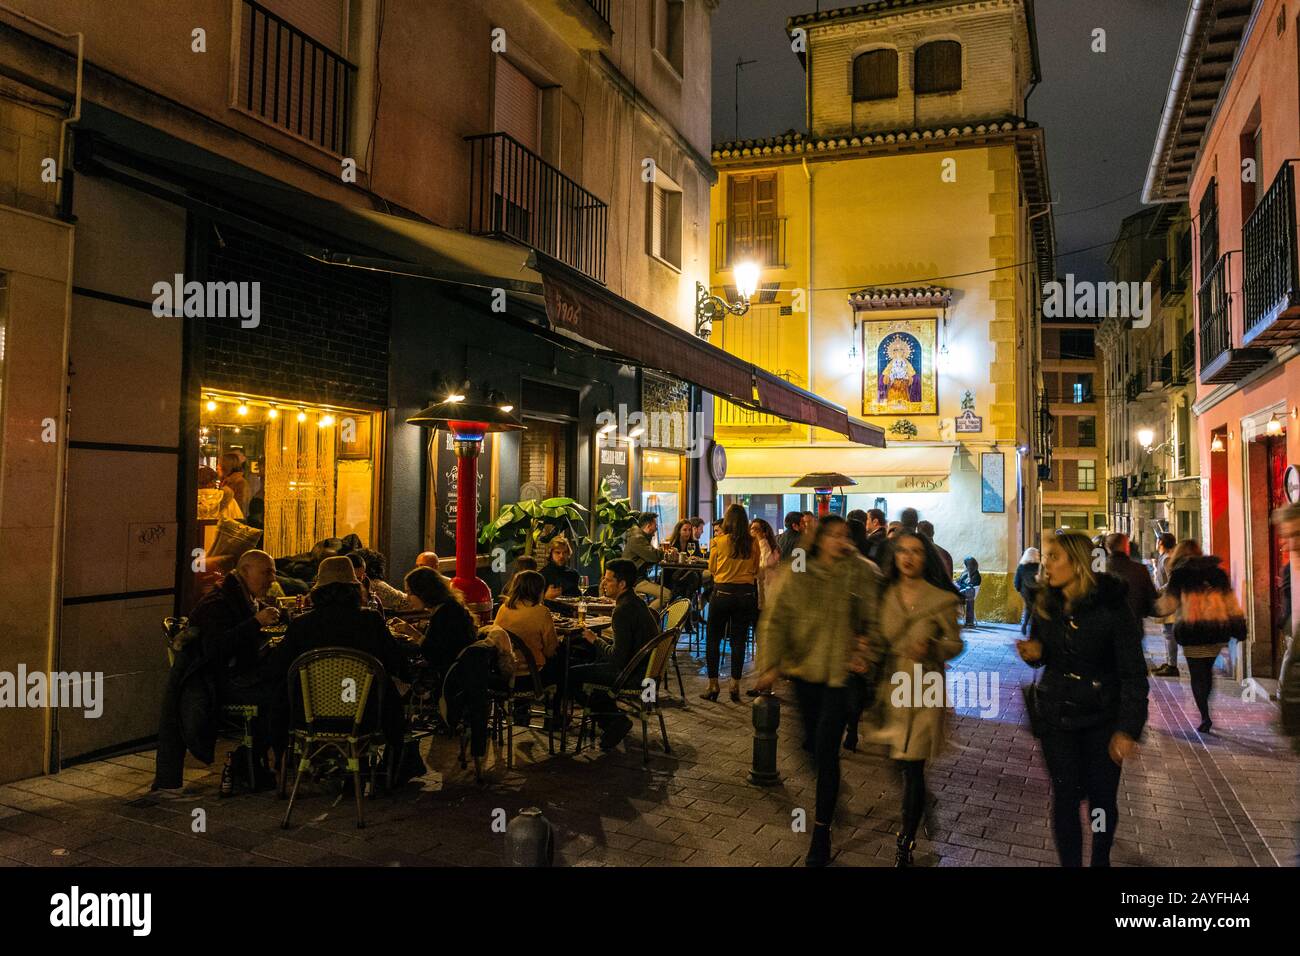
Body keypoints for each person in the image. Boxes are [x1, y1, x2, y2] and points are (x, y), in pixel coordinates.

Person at [751, 515, 881, 866]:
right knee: (808, 746)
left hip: (839, 677)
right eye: (833, 535)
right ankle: (832, 793)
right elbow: (776, 619)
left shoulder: (858, 572)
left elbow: (874, 619)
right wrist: (770, 666)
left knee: (826, 751)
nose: (840, 541)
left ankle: (820, 834)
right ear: (819, 539)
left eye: (844, 535)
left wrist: (864, 651)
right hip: (804, 674)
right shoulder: (799, 573)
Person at [1016, 531, 1148, 867]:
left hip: (1102, 719)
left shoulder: (1111, 607)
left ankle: (1099, 858)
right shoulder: (1046, 602)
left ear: (1077, 563)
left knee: (1101, 802)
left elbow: (1133, 672)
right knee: (1065, 797)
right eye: (1045, 556)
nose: (1045, 563)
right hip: (1057, 716)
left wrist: (1128, 728)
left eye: (1053, 557)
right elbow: (1044, 653)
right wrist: (1035, 653)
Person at [265, 556, 415, 782]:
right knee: (389, 690)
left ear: (318, 590)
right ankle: (389, 767)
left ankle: (284, 763)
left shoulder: (301, 625)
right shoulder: (370, 622)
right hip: (364, 714)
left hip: (308, 716)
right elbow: (399, 665)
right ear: (355, 589)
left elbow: (276, 669)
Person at [153, 549, 281, 798]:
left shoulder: (242, 596)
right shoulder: (218, 603)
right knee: (280, 696)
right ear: (245, 571)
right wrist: (256, 622)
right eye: (267, 572)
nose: (273, 579)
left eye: (274, 572)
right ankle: (249, 763)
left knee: (279, 688)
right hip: (215, 684)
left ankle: (250, 762)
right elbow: (217, 648)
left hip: (233, 676)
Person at [868, 530, 963, 866]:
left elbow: (955, 644)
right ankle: (922, 803)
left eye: (916, 552)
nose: (908, 557)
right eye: (902, 551)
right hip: (891, 689)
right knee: (899, 763)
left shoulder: (941, 599)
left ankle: (904, 841)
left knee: (912, 765)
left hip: (924, 690)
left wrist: (933, 647)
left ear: (927, 558)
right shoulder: (885, 595)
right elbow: (877, 639)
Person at [1154, 539, 1245, 733]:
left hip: (1192, 630)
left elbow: (1168, 605)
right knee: (1207, 670)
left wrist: (1148, 608)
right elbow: (1230, 602)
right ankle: (1205, 709)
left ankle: (1205, 715)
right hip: (1216, 630)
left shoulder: (1180, 575)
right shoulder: (1218, 573)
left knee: (1197, 675)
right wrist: (1239, 625)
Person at [569, 559, 661, 750]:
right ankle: (612, 720)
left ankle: (613, 722)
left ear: (622, 584)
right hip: (647, 673)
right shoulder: (636, 602)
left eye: (608, 580)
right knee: (588, 665)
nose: (603, 583)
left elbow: (617, 658)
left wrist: (595, 639)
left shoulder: (622, 610)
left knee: (572, 674)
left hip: (633, 675)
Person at [702, 503, 762, 702]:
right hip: (745, 594)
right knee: (739, 640)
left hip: (723, 593)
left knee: (713, 638)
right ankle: (735, 684)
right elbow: (755, 570)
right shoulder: (753, 543)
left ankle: (713, 685)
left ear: (726, 521)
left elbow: (712, 568)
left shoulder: (718, 541)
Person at [390, 566, 478, 677]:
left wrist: (413, 633)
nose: (407, 598)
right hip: (462, 671)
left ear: (424, 592)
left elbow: (435, 655)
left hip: (451, 677)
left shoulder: (444, 614)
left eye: (410, 593)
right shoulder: (451, 607)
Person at [1105, 532, 1158, 625]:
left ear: (1108, 548)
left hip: (1106, 625)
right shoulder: (1139, 569)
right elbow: (1151, 597)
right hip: (1133, 623)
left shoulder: (1101, 569)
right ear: (1125, 547)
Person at [622, 511, 671, 611]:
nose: (656, 529)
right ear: (649, 526)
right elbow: (654, 556)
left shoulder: (641, 538)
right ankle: (647, 617)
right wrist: (665, 551)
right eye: (655, 526)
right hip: (634, 581)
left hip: (638, 578)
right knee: (666, 595)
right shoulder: (638, 539)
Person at [1150, 532, 1180, 677]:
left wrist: (1158, 590)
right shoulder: (1163, 558)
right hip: (1165, 600)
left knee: (1169, 633)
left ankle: (1172, 665)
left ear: (1161, 542)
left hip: (1170, 601)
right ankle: (1169, 662)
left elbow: (1172, 580)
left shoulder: (1167, 558)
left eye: (1157, 540)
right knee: (1167, 632)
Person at [1014, 547, 1041, 635]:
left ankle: (1025, 624)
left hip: (1025, 591)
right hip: (1037, 590)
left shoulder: (1021, 566)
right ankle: (1034, 628)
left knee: (1028, 607)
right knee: (1036, 608)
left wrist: (1019, 589)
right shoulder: (1039, 566)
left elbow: (1017, 580)